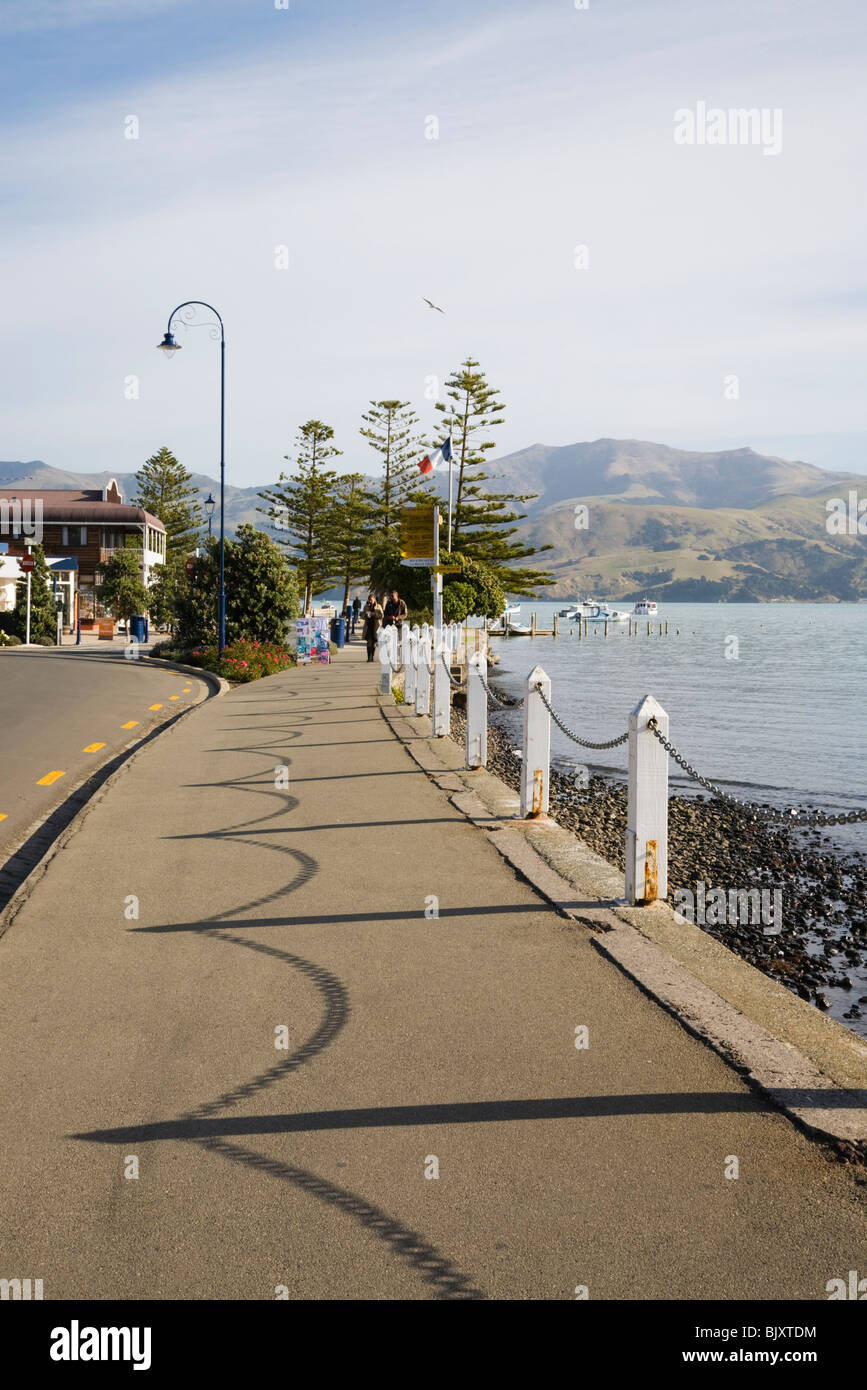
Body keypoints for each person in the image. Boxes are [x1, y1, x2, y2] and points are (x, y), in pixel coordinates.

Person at [362, 592, 383, 662]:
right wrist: (366, 614)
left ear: (374, 599)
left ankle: (372, 656)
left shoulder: (378, 606)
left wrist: (375, 614)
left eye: (371, 599)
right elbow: (362, 616)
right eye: (369, 599)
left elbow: (381, 615)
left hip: (376, 627)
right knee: (369, 643)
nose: (370, 601)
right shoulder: (366, 606)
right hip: (368, 627)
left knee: (373, 643)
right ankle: (369, 657)